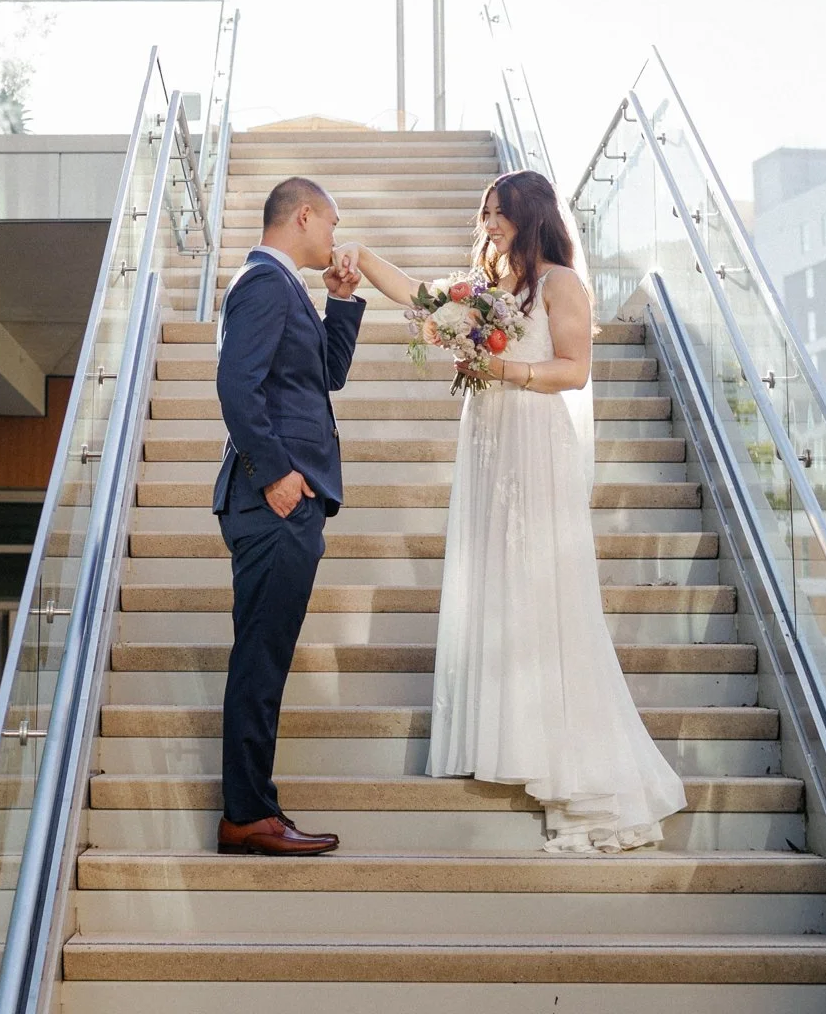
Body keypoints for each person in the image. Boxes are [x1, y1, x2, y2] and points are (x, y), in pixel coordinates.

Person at [340, 169, 687, 853]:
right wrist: (354, 251)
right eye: (486, 212)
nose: (489, 223)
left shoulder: (562, 282)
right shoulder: (489, 289)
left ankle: (558, 747)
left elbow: (574, 369)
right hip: (490, 439)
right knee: (494, 577)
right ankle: (504, 738)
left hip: (532, 438)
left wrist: (506, 371)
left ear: (530, 216)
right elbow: (419, 294)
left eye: (500, 213)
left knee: (537, 582)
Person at [212, 175, 365, 856]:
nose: (335, 236)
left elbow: (323, 378)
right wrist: (277, 475)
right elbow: (234, 385)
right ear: (303, 216)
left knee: (266, 654)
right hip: (273, 500)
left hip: (289, 502)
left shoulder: (289, 289)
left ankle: (255, 808)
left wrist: (342, 304)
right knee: (260, 658)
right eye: (330, 222)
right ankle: (248, 814)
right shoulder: (263, 285)